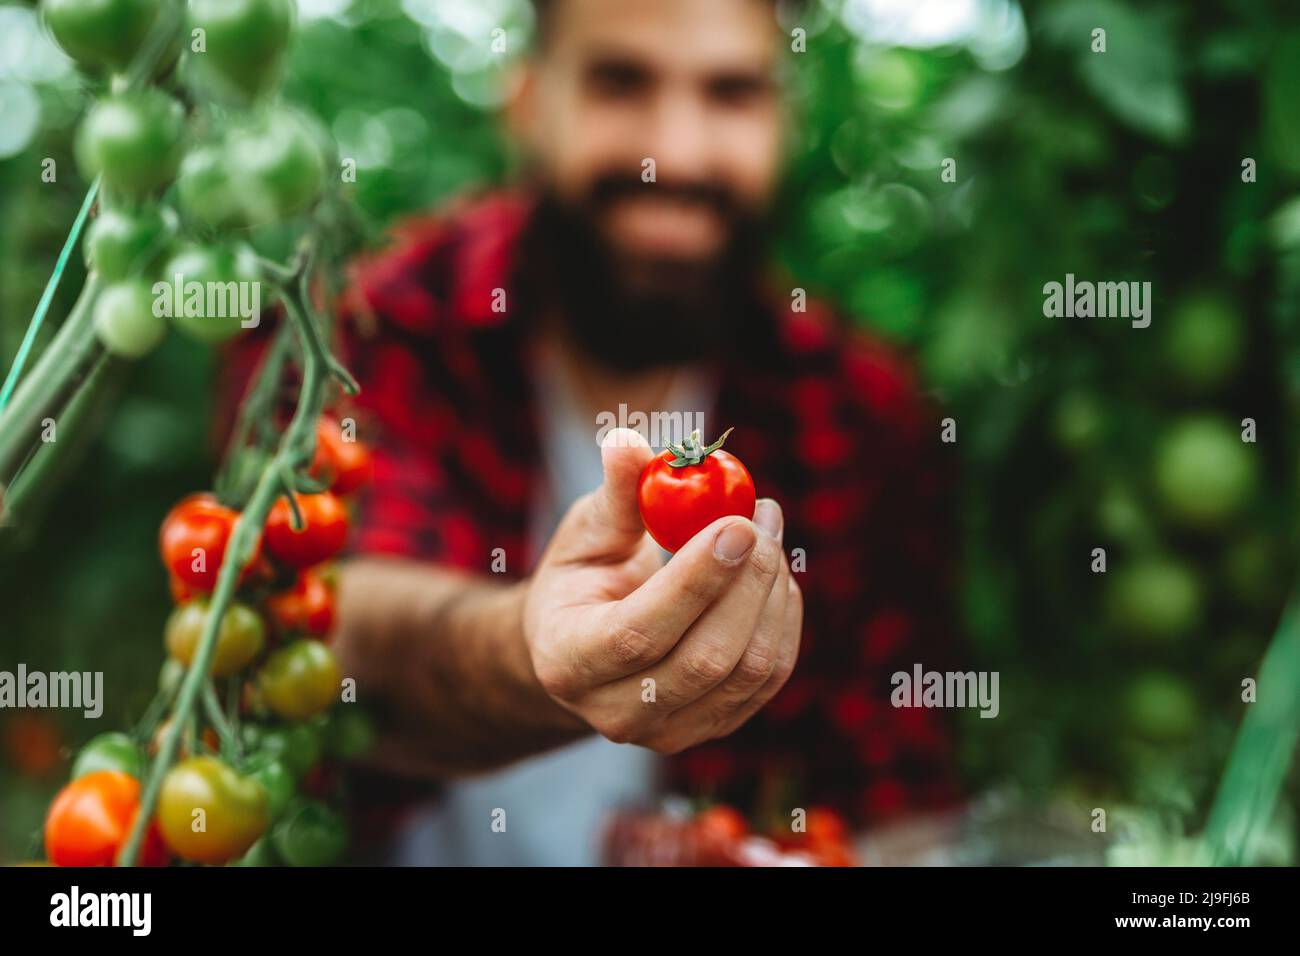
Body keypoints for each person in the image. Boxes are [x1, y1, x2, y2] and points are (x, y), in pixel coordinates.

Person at [252, 0, 962, 865]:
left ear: (783, 121)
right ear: (527, 106)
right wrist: (535, 651)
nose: (680, 151)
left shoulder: (858, 414)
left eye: (731, 92)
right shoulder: (376, 330)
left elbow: (894, 787)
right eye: (620, 82)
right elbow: (341, 628)